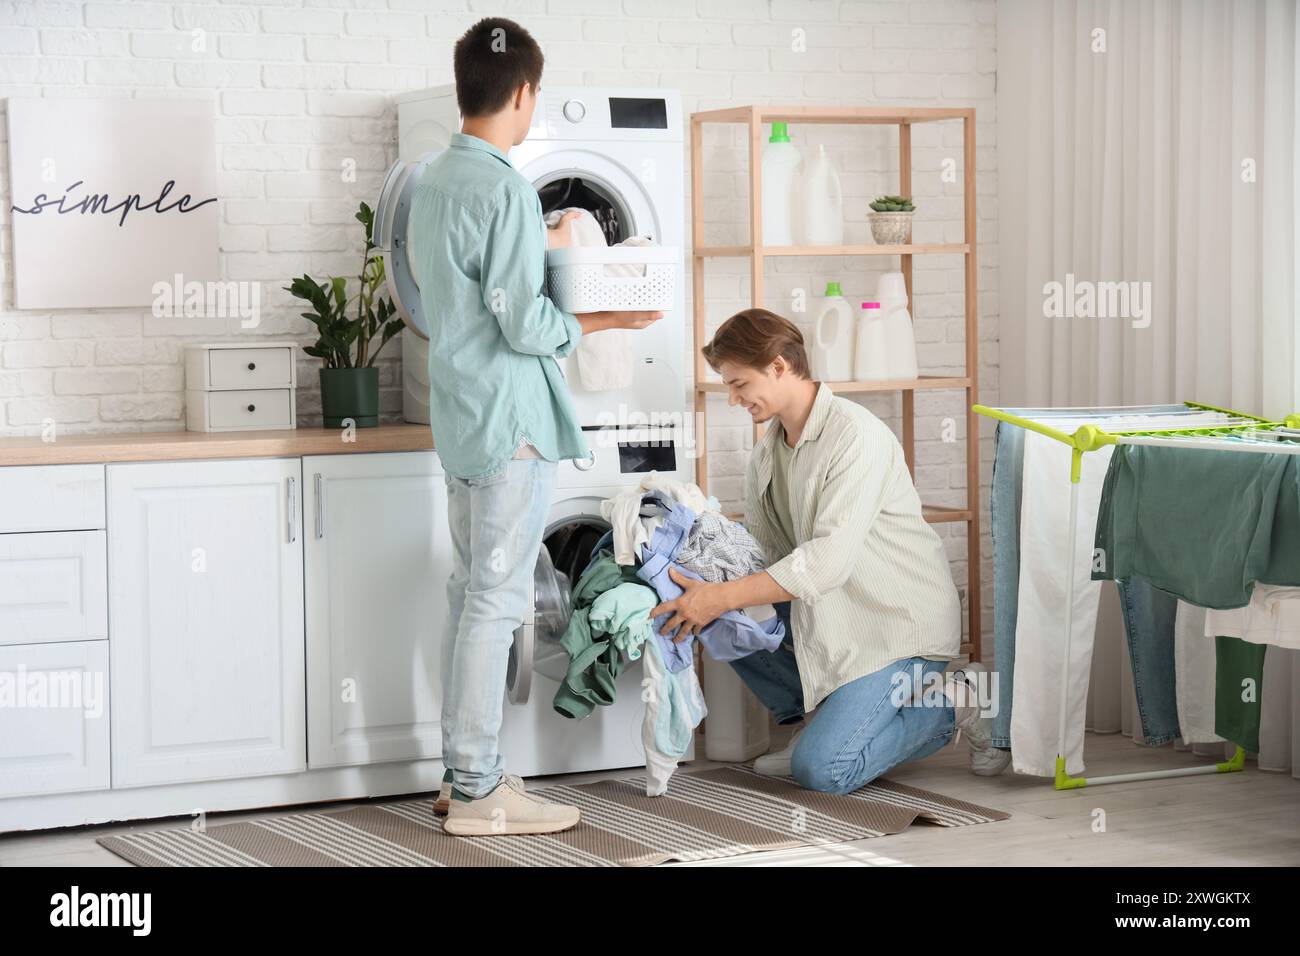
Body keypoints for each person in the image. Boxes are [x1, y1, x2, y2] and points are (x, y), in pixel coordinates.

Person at [409, 17, 661, 836]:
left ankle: (462, 777)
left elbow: (458, 288)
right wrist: (605, 321)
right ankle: (481, 793)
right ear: (523, 93)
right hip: (512, 421)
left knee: (469, 595)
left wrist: (543, 237)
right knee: (496, 601)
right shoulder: (508, 188)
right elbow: (526, 325)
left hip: (461, 413)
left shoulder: (433, 180)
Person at [648, 308, 1001, 796]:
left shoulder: (855, 436)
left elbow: (827, 561)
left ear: (777, 366)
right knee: (714, 613)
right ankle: (815, 723)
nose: (732, 399)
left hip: (894, 629)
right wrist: (696, 572)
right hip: (831, 619)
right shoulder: (768, 451)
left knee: (824, 771)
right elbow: (766, 554)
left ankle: (961, 701)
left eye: (738, 384)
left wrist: (723, 596)